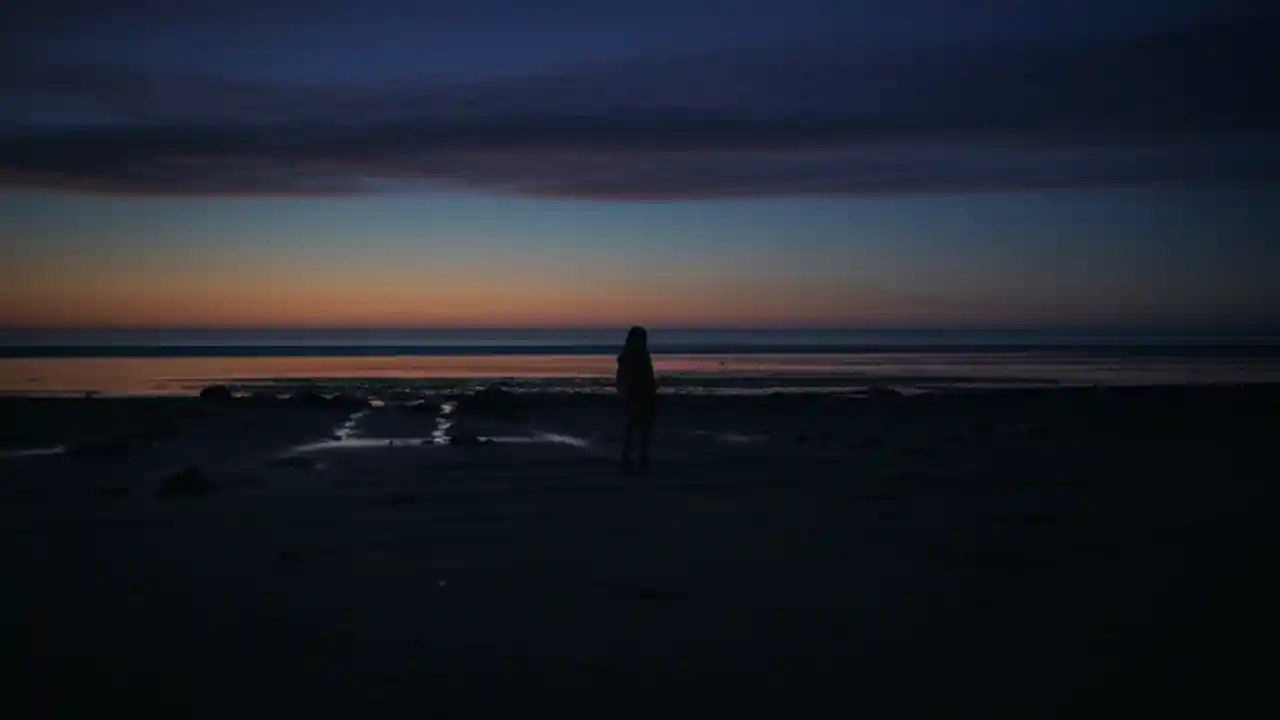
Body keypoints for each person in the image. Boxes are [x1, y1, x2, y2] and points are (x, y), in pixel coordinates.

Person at [616, 326, 657, 474]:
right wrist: (625, 394)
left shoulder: (637, 355)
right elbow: (625, 378)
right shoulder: (631, 357)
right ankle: (633, 458)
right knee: (636, 428)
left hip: (642, 395)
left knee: (639, 429)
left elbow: (647, 377)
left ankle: (636, 458)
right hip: (636, 395)